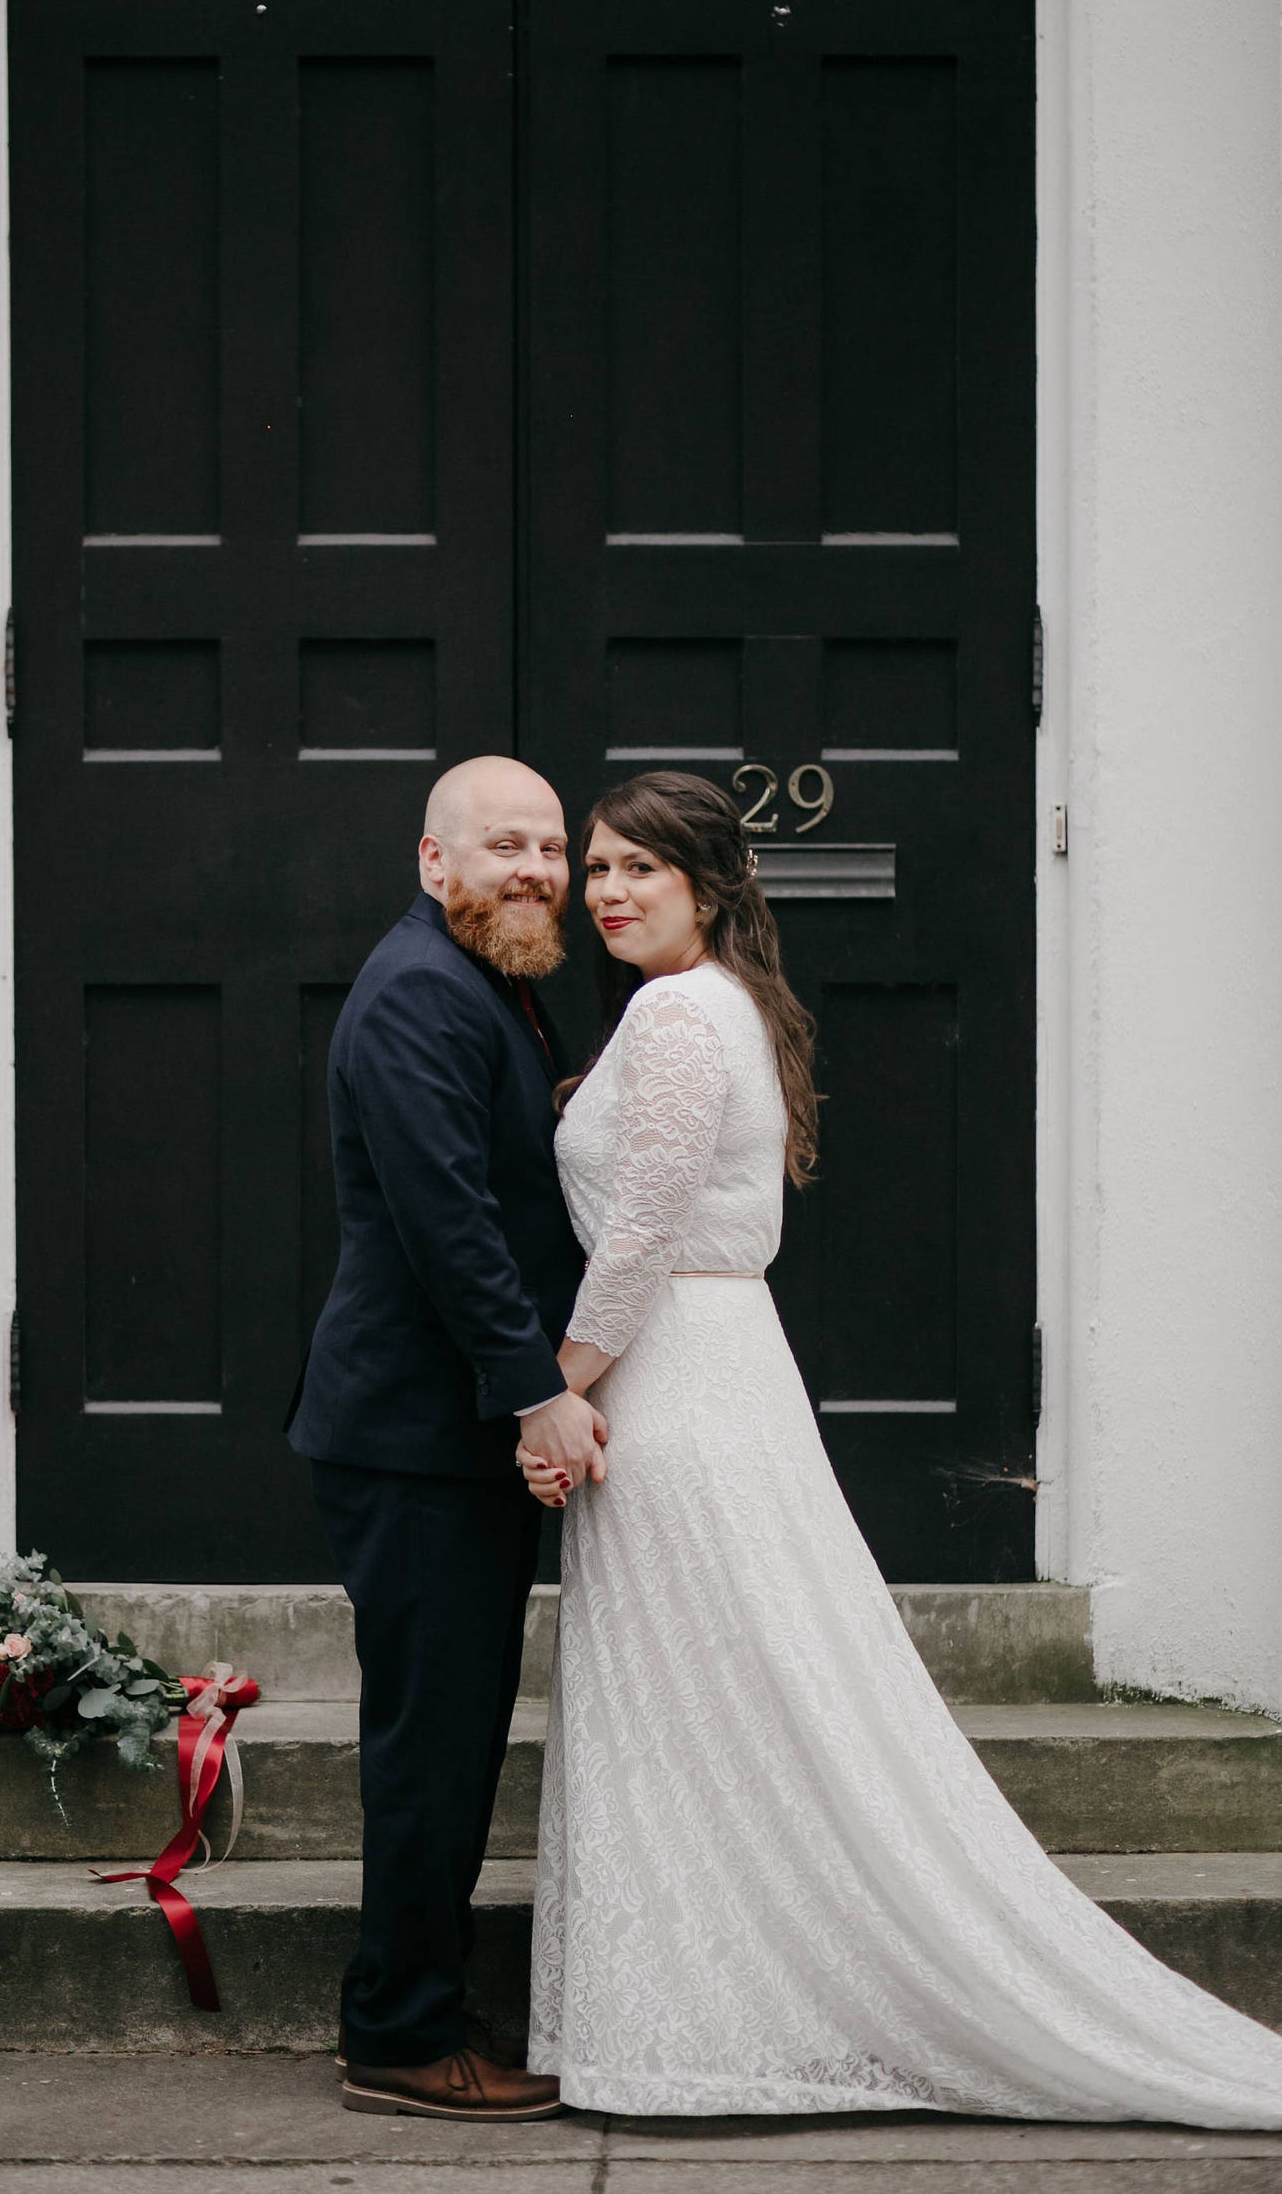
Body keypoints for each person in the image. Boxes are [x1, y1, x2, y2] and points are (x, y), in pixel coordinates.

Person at [518, 767, 1282, 2127]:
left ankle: (711, 2024)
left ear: (706, 883)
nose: (610, 891)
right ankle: (703, 2012)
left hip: (678, 1380)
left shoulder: (682, 1011)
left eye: (640, 867)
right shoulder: (714, 1006)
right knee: (711, 1704)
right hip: (705, 1362)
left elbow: (638, 1233)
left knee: (703, 1702)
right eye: (596, 869)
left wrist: (552, 1388)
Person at [287, 755, 598, 2121]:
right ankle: (402, 2032)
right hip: (417, 1438)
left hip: (444, 1437)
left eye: (550, 847)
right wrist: (540, 1391)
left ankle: (419, 2008)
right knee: (432, 1746)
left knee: (457, 1739)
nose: (533, 868)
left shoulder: (493, 984)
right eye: (502, 846)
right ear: (434, 862)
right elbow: (449, 1225)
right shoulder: (422, 989)